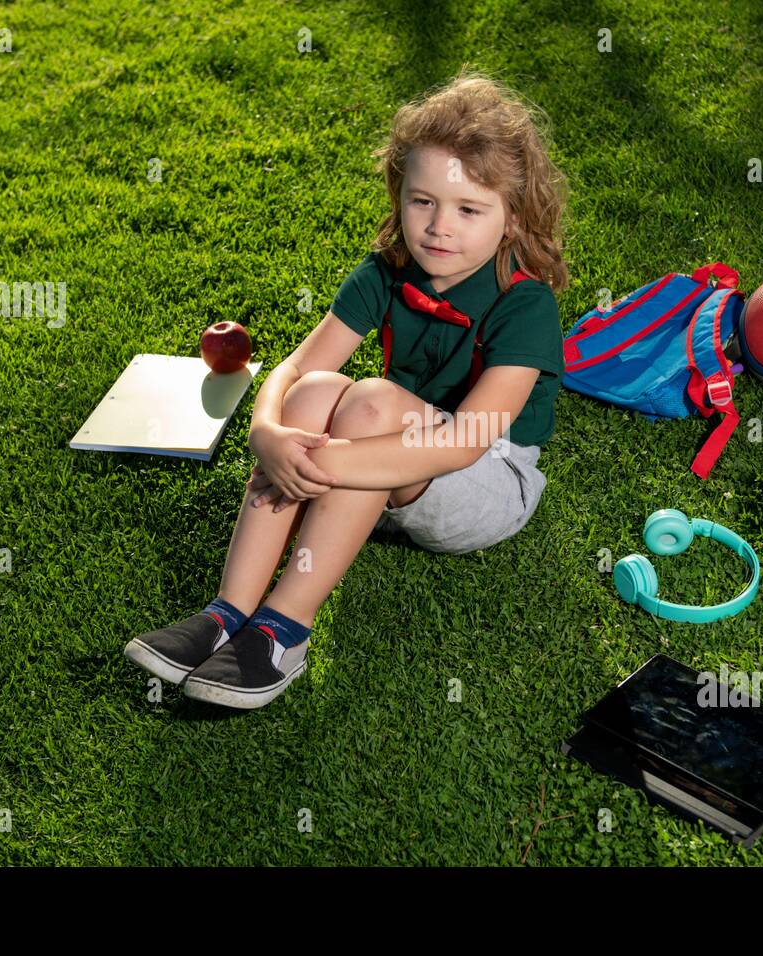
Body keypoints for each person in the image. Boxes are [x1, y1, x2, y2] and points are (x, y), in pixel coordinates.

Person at [124, 67, 571, 710]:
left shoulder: (523, 304)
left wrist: (321, 459)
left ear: (512, 217)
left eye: (469, 210)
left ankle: (284, 631)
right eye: (423, 201)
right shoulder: (387, 270)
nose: (440, 227)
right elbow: (295, 370)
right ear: (400, 196)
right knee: (316, 395)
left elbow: (467, 441)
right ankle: (228, 611)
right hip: (373, 468)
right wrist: (268, 430)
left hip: (489, 480)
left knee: (370, 399)